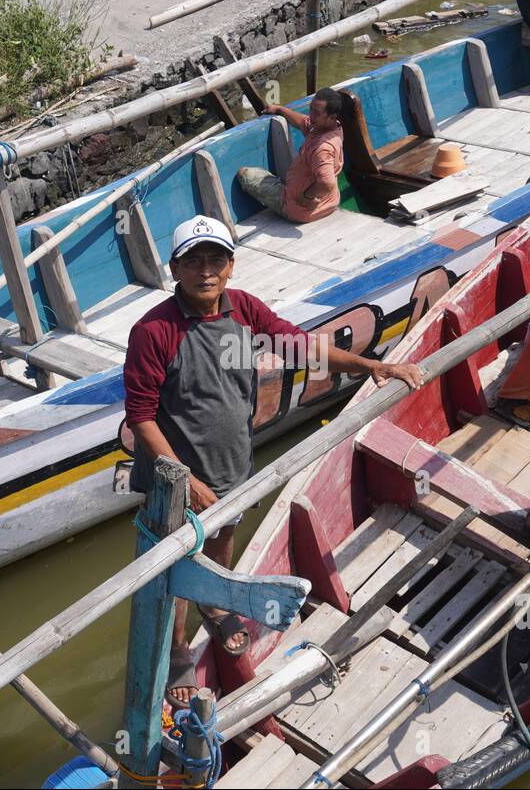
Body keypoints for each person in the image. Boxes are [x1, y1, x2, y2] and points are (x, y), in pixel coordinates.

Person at [123, 214, 423, 709]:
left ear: (231, 266)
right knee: (178, 562)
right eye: (193, 261)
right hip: (176, 475)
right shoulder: (154, 331)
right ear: (174, 269)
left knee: (223, 533)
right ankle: (177, 648)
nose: (205, 271)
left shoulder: (243, 310)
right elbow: (141, 417)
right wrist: (185, 479)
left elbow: (300, 346)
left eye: (215, 259)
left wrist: (372, 365)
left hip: (233, 458)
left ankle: (216, 608)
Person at [237, 88, 345, 224]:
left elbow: (326, 183)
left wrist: (306, 197)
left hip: (298, 208)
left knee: (245, 175)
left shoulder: (322, 148)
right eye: (310, 109)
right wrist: (280, 110)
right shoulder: (329, 127)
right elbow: (301, 121)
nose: (310, 115)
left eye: (316, 113)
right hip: (329, 202)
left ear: (332, 117)